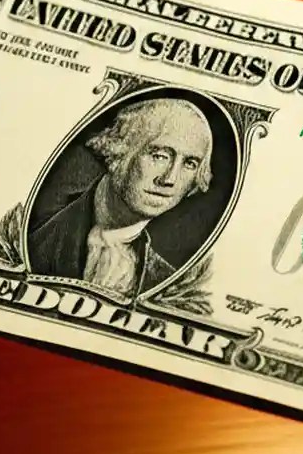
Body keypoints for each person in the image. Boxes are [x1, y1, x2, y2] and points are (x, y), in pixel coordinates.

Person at [27, 98, 214, 303]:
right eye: (160, 156)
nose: (170, 179)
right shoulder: (36, 232)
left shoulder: (166, 282)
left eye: (190, 163)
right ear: (119, 153)